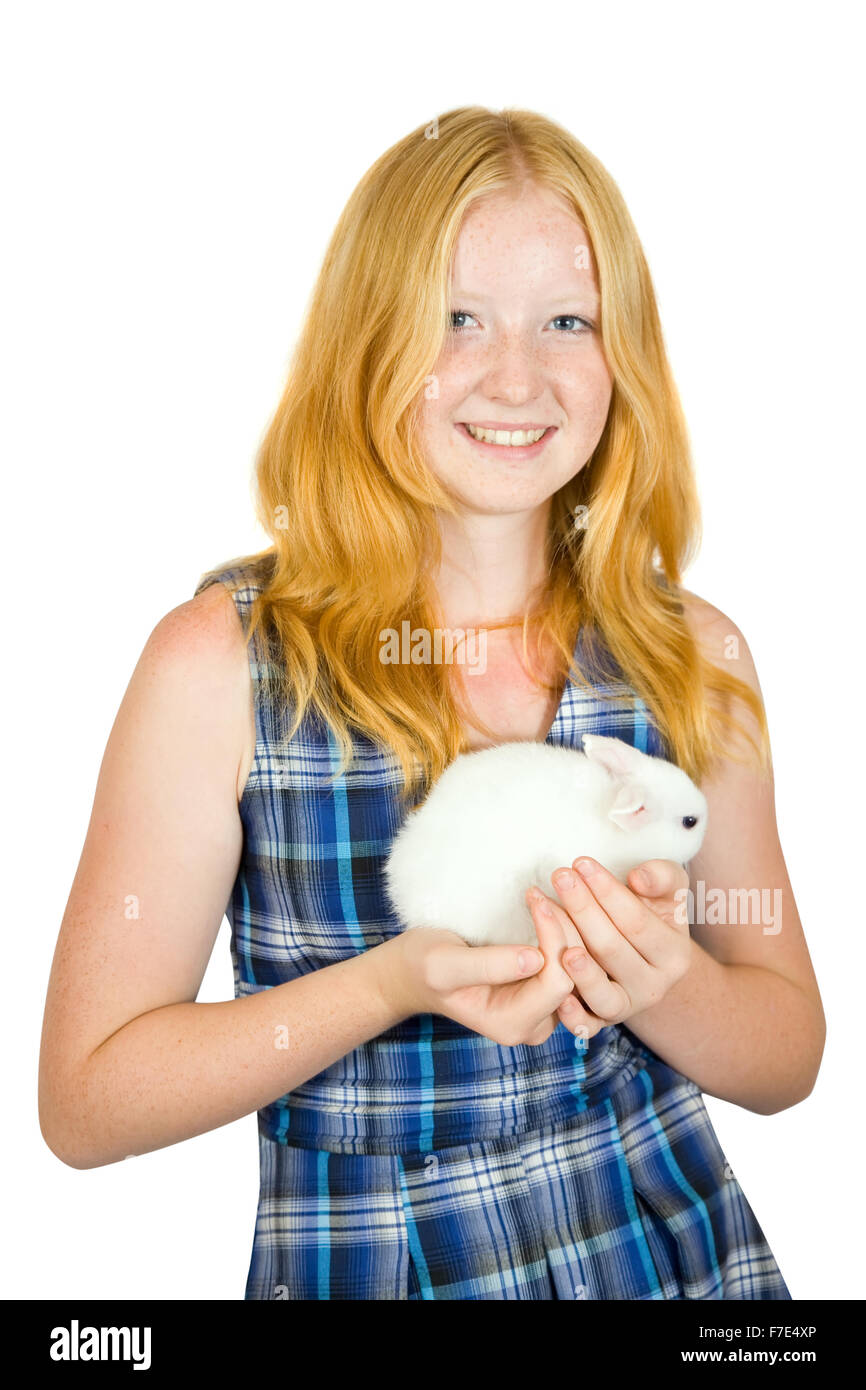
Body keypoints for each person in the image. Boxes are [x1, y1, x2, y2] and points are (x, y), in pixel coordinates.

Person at [38, 106, 824, 1300]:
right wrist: (387, 985)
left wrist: (666, 984)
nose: (515, 376)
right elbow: (85, 1102)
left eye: (567, 321)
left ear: (623, 357)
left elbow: (785, 1055)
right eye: (454, 319)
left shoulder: (690, 655)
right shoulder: (222, 667)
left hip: (682, 1272)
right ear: (368, 341)